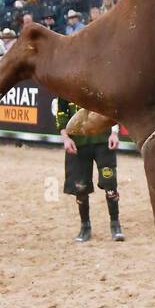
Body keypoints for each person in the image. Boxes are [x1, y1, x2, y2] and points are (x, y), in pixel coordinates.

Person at [55, 99, 125, 242]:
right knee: (80, 187)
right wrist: (66, 139)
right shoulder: (65, 85)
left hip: (103, 141)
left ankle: (115, 225)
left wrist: (114, 133)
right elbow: (61, 113)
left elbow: (111, 105)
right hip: (78, 144)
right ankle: (85, 227)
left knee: (110, 183)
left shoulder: (98, 79)